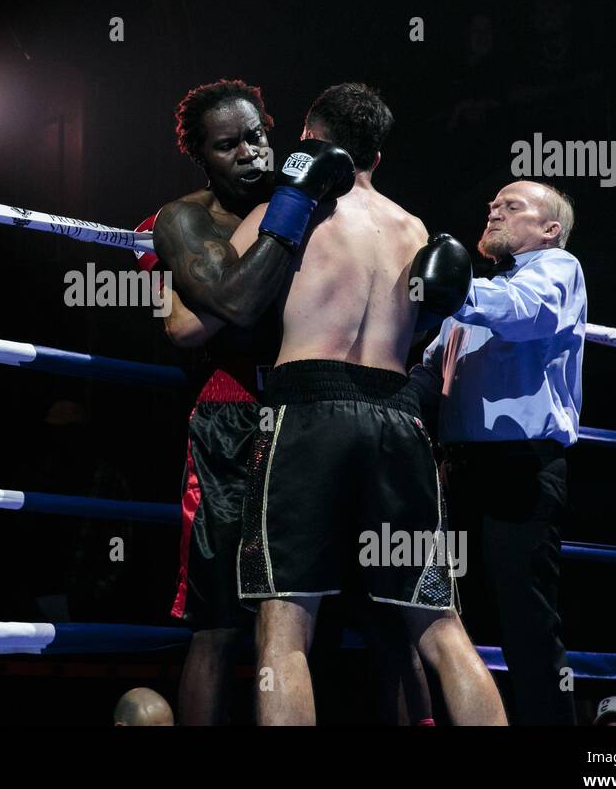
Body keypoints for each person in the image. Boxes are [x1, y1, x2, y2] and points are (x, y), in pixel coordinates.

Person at [178, 82, 506, 725]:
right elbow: (417, 339)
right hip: (399, 417)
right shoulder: (415, 229)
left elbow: (210, 312)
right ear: (378, 157)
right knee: (439, 626)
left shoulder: (293, 207)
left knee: (284, 630)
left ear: (308, 140)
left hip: (307, 411)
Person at [139, 78, 354, 725]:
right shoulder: (183, 219)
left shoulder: (313, 205)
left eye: (258, 135)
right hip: (230, 420)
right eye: (229, 144)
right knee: (219, 622)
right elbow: (202, 320)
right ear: (202, 156)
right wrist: (288, 219)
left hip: (312, 411)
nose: (251, 152)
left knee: (307, 616)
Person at [410, 180, 585, 724]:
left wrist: (453, 289)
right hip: (458, 470)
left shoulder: (557, 268)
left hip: (521, 468)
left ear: (549, 229)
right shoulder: (473, 298)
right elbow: (429, 368)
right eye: (491, 205)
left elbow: (525, 312)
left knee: (526, 622)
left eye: (511, 207)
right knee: (442, 615)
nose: (494, 212)